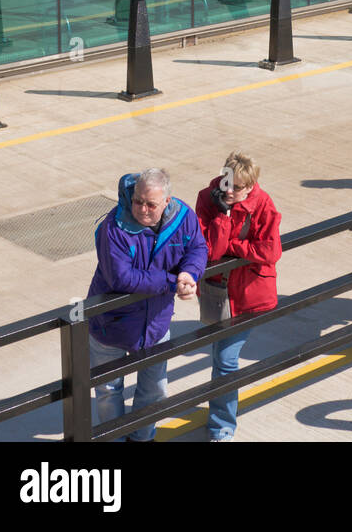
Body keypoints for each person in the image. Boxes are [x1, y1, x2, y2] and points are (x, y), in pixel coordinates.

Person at [87, 169, 208, 441]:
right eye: (138, 201)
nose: (142, 209)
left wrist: (189, 274)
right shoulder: (114, 227)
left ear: (167, 201)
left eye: (151, 204)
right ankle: (114, 439)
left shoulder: (183, 217)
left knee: (154, 389)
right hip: (111, 325)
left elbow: (197, 248)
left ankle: (142, 437)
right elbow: (122, 277)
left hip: (156, 323)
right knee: (108, 390)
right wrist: (171, 282)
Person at [195, 152, 282, 442]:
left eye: (238, 187)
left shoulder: (263, 203)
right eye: (226, 183)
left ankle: (221, 425)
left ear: (251, 185)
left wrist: (236, 245)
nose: (230, 191)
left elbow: (270, 252)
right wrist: (224, 214)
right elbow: (209, 252)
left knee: (226, 360)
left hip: (249, 296)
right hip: (217, 293)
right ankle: (220, 416)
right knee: (221, 357)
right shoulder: (208, 199)